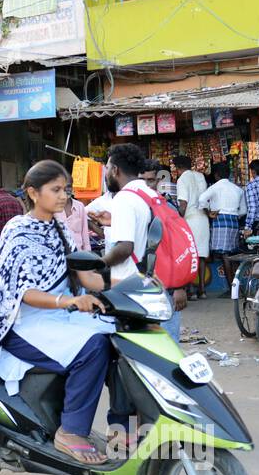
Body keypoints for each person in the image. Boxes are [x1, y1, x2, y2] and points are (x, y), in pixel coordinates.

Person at [0, 160, 113, 466]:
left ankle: (123, 425)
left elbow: (85, 275)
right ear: (34, 193)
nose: (63, 196)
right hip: (18, 324)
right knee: (93, 346)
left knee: (116, 333)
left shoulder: (59, 226)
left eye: (66, 190)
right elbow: (24, 295)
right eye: (56, 190)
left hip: (57, 316)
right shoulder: (19, 231)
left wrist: (127, 284)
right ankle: (71, 431)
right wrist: (70, 302)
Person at [103, 143, 187, 342]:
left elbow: (125, 248)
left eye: (107, 168)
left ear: (115, 170)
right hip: (159, 283)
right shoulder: (152, 195)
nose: (106, 173)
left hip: (134, 287)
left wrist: (100, 265)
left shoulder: (124, 198)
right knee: (166, 349)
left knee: (138, 351)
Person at [200, 163, 246, 296]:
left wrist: (208, 212)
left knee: (225, 255)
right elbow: (243, 210)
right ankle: (236, 285)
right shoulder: (238, 189)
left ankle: (233, 289)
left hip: (220, 219)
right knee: (232, 254)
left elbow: (201, 199)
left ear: (216, 175)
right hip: (234, 220)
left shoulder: (215, 187)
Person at [172, 155, 210, 297]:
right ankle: (202, 290)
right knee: (200, 256)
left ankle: (190, 291)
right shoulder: (200, 176)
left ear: (178, 167)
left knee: (188, 255)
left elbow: (183, 204)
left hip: (190, 219)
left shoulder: (182, 179)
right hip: (203, 219)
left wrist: (175, 220)